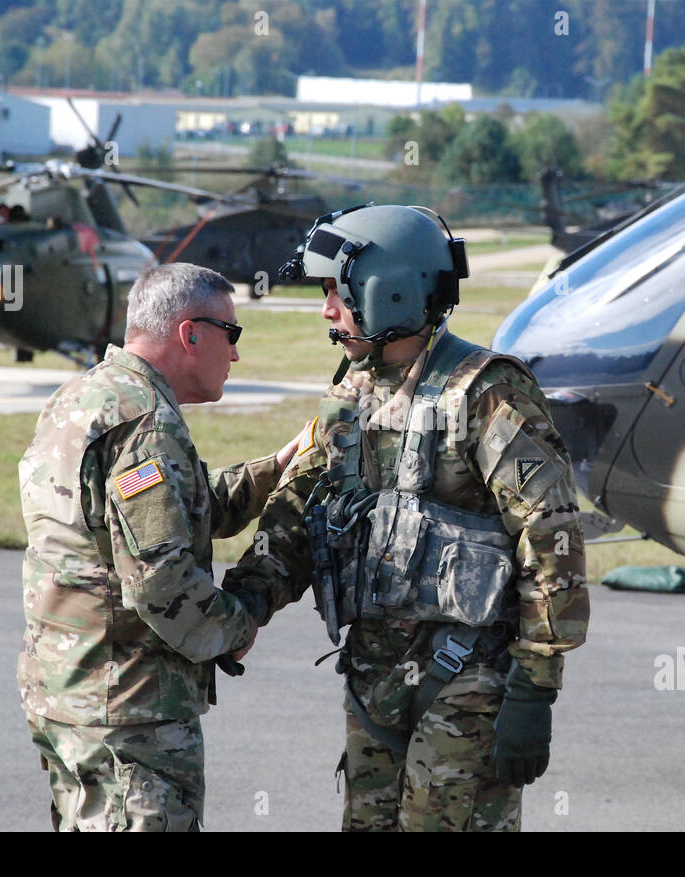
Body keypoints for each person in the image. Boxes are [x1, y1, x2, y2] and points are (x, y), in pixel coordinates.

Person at [223, 205, 589, 831]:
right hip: (374, 677)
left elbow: (550, 537)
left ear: (386, 290)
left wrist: (535, 685)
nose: (326, 311)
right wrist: (239, 610)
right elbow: (298, 518)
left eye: (335, 294)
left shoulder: (485, 392)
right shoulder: (350, 394)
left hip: (467, 678)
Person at [18, 263, 298, 831]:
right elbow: (162, 581)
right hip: (130, 711)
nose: (236, 355)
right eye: (232, 334)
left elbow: (167, 516)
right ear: (190, 333)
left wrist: (277, 470)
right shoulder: (146, 423)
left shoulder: (84, 396)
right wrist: (235, 628)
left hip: (72, 694)